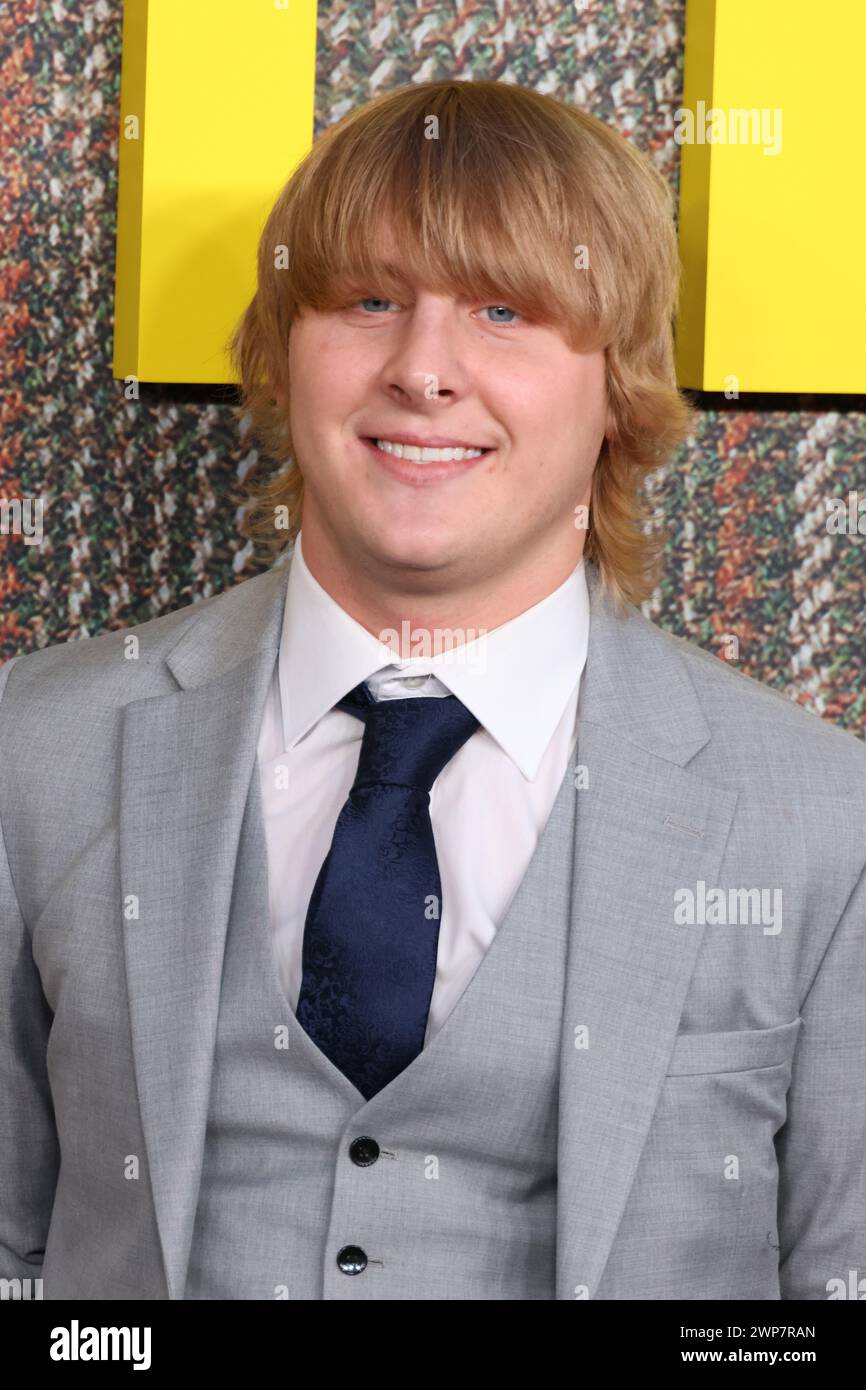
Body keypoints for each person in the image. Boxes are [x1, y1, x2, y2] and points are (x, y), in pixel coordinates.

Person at [1, 79, 864, 1302]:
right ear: (279, 352)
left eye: (505, 311)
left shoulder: (824, 821)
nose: (422, 370)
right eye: (368, 300)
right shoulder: (32, 749)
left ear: (615, 381)